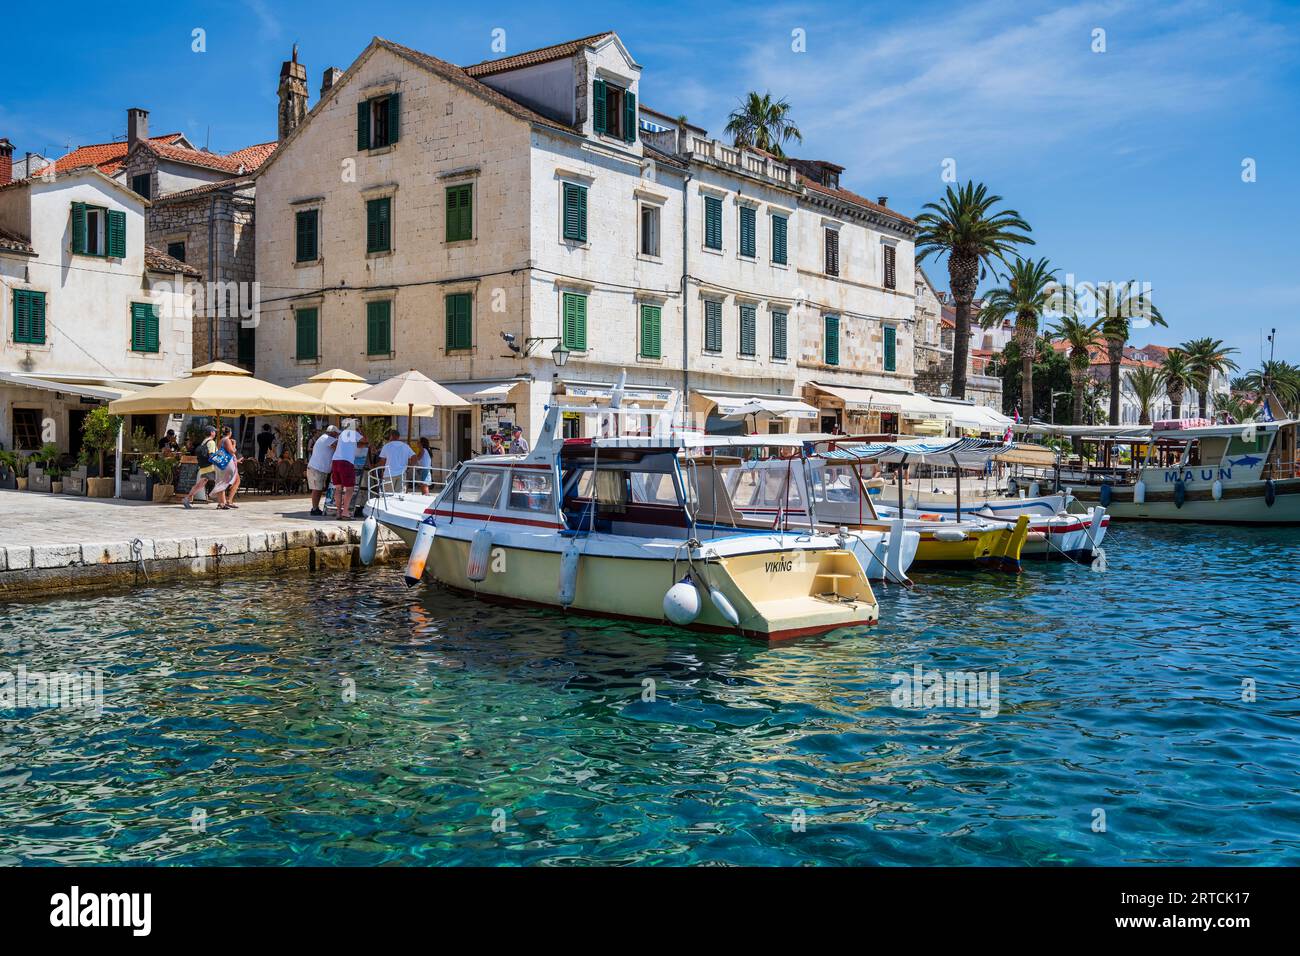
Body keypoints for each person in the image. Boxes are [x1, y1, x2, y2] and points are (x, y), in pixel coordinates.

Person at [331, 418, 367, 520]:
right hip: (346, 462)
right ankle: (345, 512)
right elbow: (365, 440)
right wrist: (361, 431)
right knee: (349, 489)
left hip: (335, 461)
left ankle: (338, 512)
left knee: (338, 488)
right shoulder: (354, 433)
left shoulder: (342, 434)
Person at [182, 425, 219, 509]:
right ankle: (220, 500)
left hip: (204, 466)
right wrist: (220, 463)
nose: (215, 433)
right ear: (211, 432)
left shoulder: (204, 441)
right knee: (221, 482)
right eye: (214, 431)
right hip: (210, 467)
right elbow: (211, 455)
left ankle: (187, 498)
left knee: (200, 484)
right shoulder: (211, 442)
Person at [306, 425, 338, 516]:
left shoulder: (323, 438)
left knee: (318, 489)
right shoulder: (327, 438)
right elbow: (338, 447)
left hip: (318, 468)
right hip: (316, 468)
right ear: (332, 433)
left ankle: (315, 508)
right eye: (336, 434)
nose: (337, 436)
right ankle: (314, 508)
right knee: (317, 489)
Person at [210, 426, 241, 510]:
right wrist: (234, 445)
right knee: (233, 481)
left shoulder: (220, 441)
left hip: (221, 464)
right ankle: (228, 501)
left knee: (222, 482)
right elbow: (232, 451)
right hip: (227, 464)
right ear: (230, 433)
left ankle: (222, 503)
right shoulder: (227, 440)